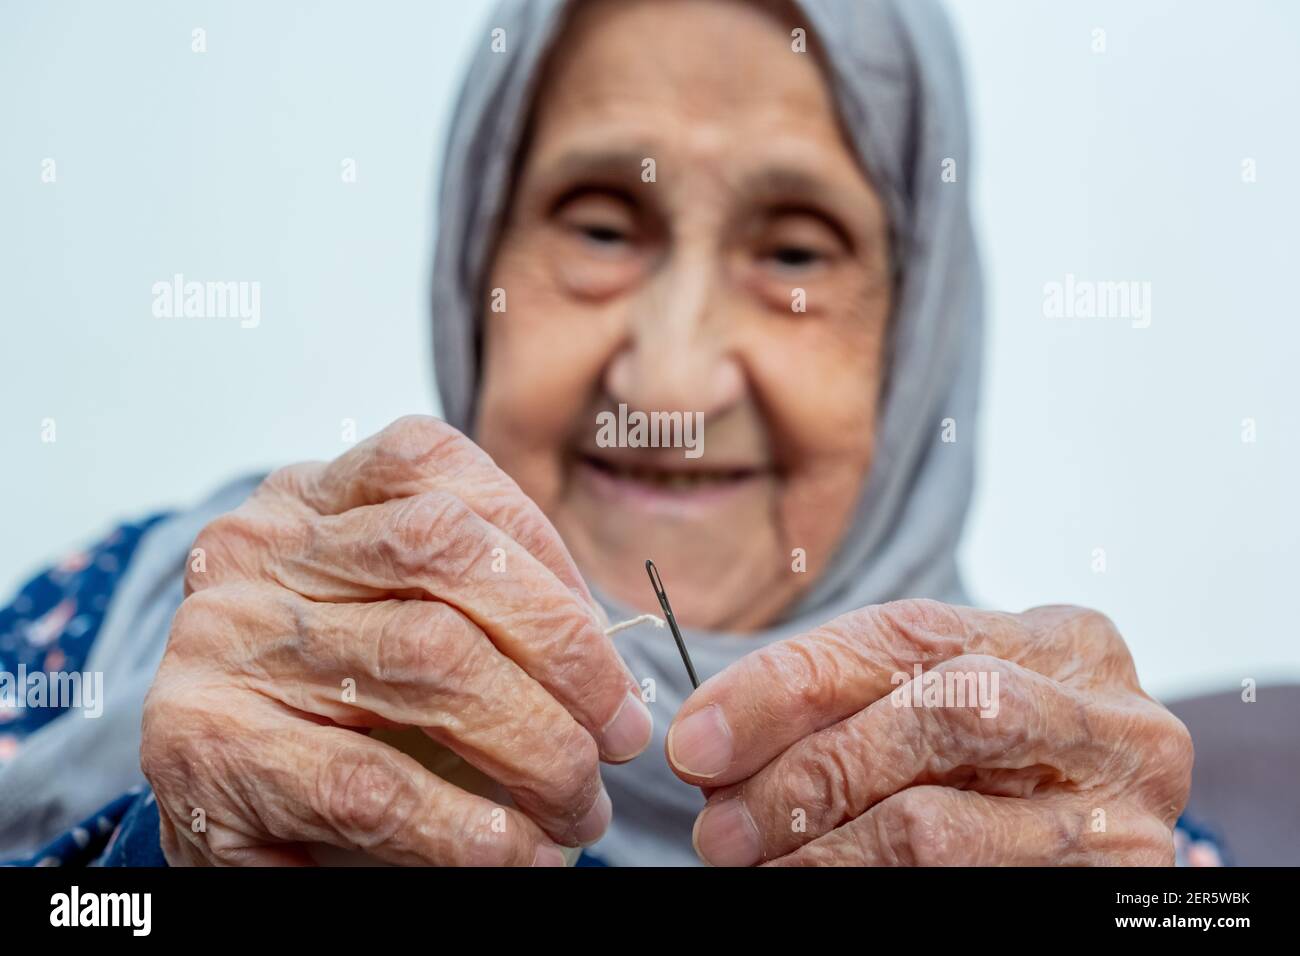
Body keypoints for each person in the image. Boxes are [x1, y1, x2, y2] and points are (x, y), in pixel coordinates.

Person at [0, 0, 1202, 867]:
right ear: (475, 267)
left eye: (793, 252)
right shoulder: (122, 621)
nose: (669, 371)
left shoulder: (1081, 808)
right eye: (598, 225)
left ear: (919, 331)